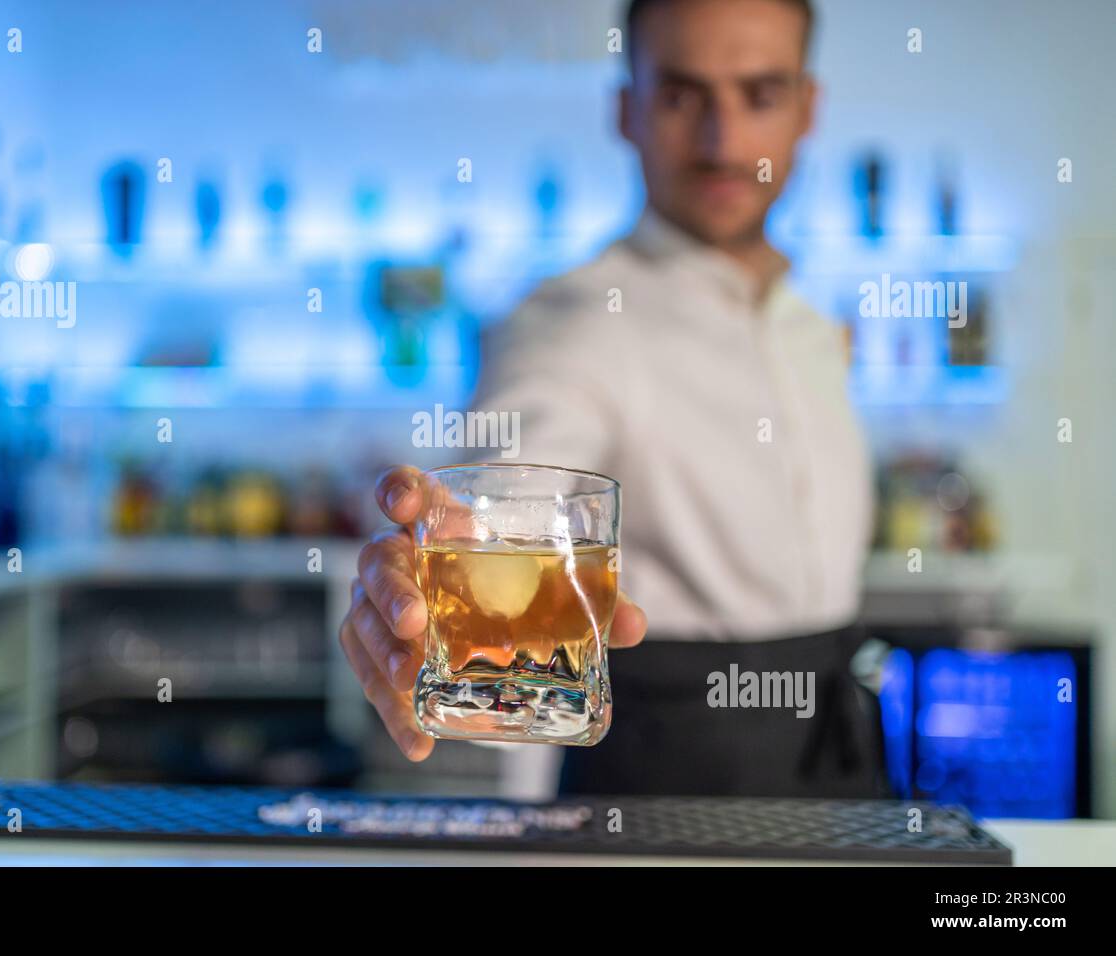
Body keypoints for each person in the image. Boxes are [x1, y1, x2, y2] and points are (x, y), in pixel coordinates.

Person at [339, 0, 888, 798]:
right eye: (681, 95)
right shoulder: (572, 323)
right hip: (665, 796)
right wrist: (426, 584)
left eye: (759, 94)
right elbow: (506, 497)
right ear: (625, 111)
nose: (722, 141)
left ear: (809, 108)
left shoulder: (810, 328)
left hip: (838, 766)